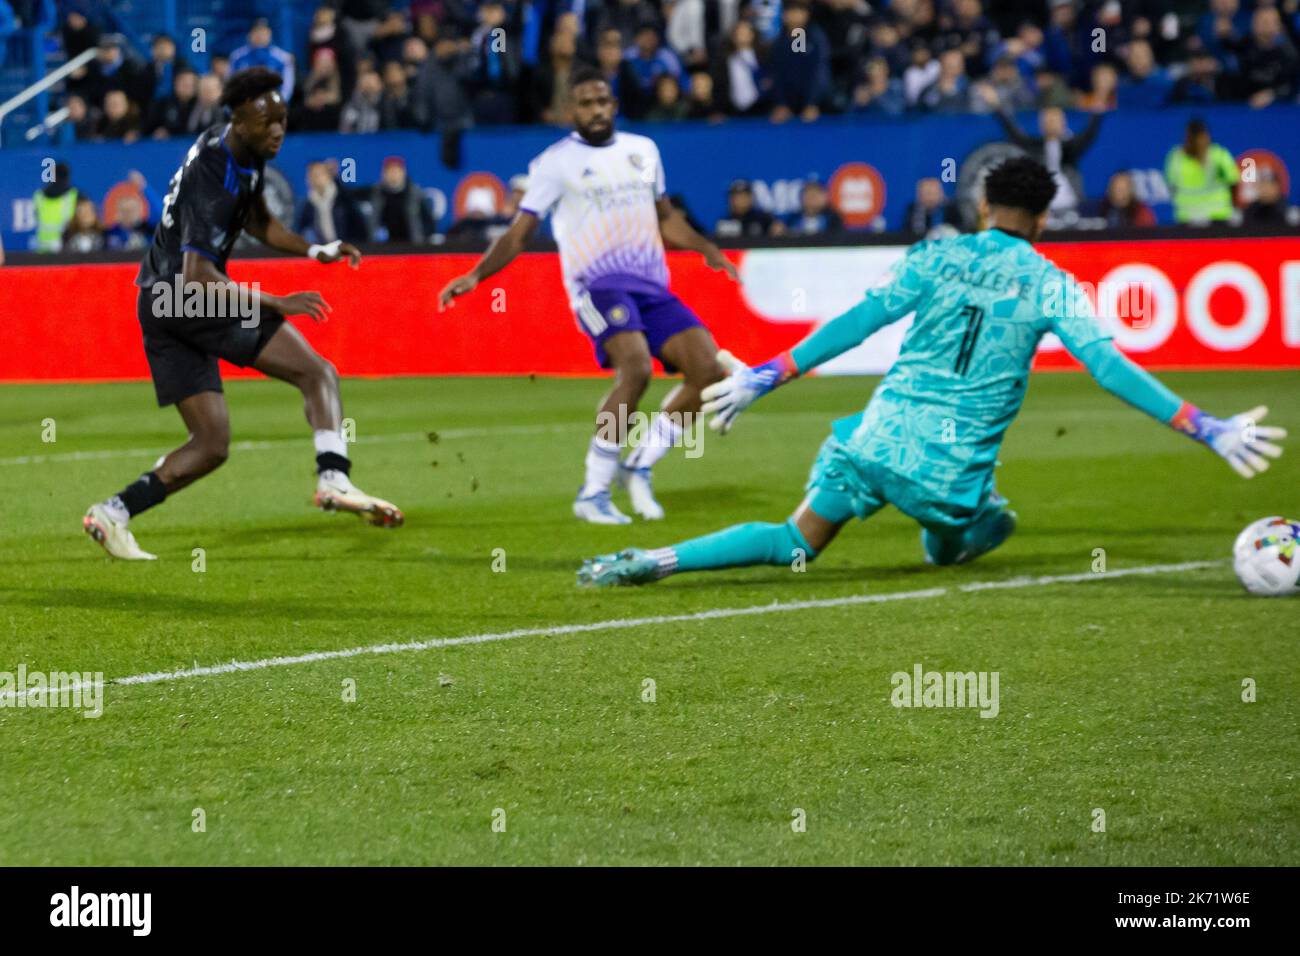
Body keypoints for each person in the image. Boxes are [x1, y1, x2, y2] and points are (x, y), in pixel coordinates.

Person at [580, 157, 1288, 587]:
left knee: (792, 543)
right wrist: (1203, 426)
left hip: (871, 443)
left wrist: (769, 373)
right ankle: (972, 525)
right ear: (1043, 220)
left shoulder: (936, 256)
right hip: (947, 479)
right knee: (954, 539)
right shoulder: (1053, 283)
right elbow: (1108, 368)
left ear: (983, 207)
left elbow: (860, 322)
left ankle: (654, 559)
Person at [83, 68, 402, 561]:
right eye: (265, 122)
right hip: (187, 298)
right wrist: (274, 302)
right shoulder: (215, 172)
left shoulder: (235, 149)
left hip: (157, 303)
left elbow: (256, 220)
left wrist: (313, 249)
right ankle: (334, 478)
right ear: (238, 120)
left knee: (211, 443)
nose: (277, 130)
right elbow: (197, 277)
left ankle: (113, 511)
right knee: (317, 372)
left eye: (282, 120)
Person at [438, 65, 738, 525]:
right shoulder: (554, 164)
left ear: (613, 106)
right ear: (570, 110)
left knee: (709, 372)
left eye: (603, 101)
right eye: (586, 103)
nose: (596, 110)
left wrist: (706, 248)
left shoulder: (644, 151)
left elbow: (666, 217)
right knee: (635, 369)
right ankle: (593, 491)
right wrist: (477, 275)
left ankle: (639, 465)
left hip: (651, 286)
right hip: (597, 287)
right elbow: (519, 234)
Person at [1164, 117, 1239, 225]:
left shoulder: (1218, 155)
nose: (1200, 141)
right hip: (1188, 217)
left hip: (1217, 216)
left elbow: (1233, 182)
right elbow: (1171, 187)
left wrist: (1234, 209)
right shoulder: (1176, 157)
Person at [714, 179, 781, 238]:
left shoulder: (764, 219)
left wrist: (777, 231)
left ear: (751, 197)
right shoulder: (724, 222)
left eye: (744, 196)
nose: (740, 200)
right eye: (736, 196)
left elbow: (779, 231)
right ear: (730, 199)